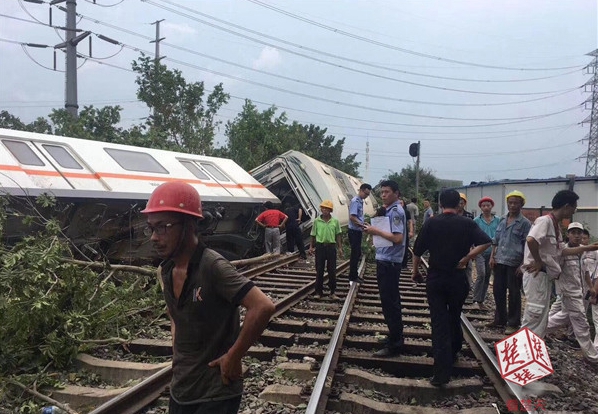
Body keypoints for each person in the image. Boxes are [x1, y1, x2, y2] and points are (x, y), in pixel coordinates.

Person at [141, 181, 275, 414]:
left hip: (216, 393)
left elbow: (262, 306)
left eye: (163, 227)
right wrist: (180, 352)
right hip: (182, 389)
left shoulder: (213, 266)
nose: (154, 237)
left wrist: (233, 357)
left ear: (189, 225)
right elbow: (176, 317)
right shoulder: (166, 270)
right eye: (151, 228)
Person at [412, 189, 491, 386]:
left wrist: (415, 271)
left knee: (439, 323)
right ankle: (455, 350)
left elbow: (417, 250)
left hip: (436, 278)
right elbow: (487, 242)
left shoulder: (431, 222)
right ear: (458, 205)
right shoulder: (467, 223)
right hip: (457, 279)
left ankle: (441, 373)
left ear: (440, 204)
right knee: (454, 316)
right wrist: (466, 258)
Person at [521, 190, 598, 338]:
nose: (574, 210)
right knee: (534, 316)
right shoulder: (545, 221)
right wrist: (537, 261)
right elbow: (531, 240)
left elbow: (562, 251)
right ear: (567, 206)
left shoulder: (555, 226)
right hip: (537, 274)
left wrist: (587, 247)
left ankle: (530, 352)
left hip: (544, 276)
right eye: (574, 207)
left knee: (540, 319)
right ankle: (521, 353)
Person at [363, 180, 406, 357]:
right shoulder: (389, 210)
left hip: (390, 263)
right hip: (385, 260)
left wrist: (375, 231)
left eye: (387, 192)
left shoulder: (396, 211)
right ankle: (393, 337)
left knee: (391, 303)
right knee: (388, 303)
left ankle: (396, 344)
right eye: (382, 192)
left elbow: (397, 238)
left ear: (396, 193)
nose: (383, 195)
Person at [545, 222, 598, 363]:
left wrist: (591, 287)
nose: (576, 235)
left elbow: (585, 270)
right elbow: (554, 272)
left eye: (579, 233)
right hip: (569, 293)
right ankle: (593, 357)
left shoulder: (582, 250)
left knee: (563, 317)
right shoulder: (562, 251)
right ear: (567, 235)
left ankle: (534, 331)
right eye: (573, 232)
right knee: (582, 325)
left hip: (579, 292)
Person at [488, 190, 531, 335]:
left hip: (514, 263)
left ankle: (513, 323)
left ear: (521, 205)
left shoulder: (525, 223)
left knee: (514, 293)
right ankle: (500, 318)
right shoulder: (502, 220)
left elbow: (527, 245)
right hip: (499, 260)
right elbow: (496, 241)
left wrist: (523, 264)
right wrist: (492, 257)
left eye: (516, 203)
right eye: (510, 203)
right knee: (498, 290)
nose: (512, 205)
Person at [309, 200, 343, 299]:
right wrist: (311, 247)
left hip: (331, 247)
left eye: (327, 208)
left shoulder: (335, 221)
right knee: (319, 270)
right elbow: (313, 234)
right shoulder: (317, 221)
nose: (324, 210)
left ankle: (332, 292)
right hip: (320, 247)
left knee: (332, 270)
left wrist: (340, 248)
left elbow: (338, 235)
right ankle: (318, 292)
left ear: (330, 210)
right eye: (323, 208)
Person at [472, 196, 501, 310]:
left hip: (493, 252)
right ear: (480, 207)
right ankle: (475, 299)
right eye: (483, 206)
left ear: (491, 206)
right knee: (481, 274)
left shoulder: (498, 220)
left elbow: (499, 234)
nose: (486, 208)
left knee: (487, 275)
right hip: (479, 250)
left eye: (488, 205)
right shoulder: (476, 221)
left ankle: (481, 300)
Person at [347, 183, 372, 283]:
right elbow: (352, 217)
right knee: (355, 254)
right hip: (354, 231)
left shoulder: (360, 201)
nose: (366, 196)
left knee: (357, 254)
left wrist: (363, 223)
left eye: (368, 195)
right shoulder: (355, 201)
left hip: (357, 231)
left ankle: (354, 274)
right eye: (366, 193)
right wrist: (361, 225)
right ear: (361, 190)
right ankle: (352, 276)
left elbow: (358, 216)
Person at [400, 198, 415, 269]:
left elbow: (410, 222)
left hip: (404, 231)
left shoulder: (406, 212)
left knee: (405, 247)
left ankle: (404, 264)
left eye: (401, 203)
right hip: (395, 232)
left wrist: (411, 231)